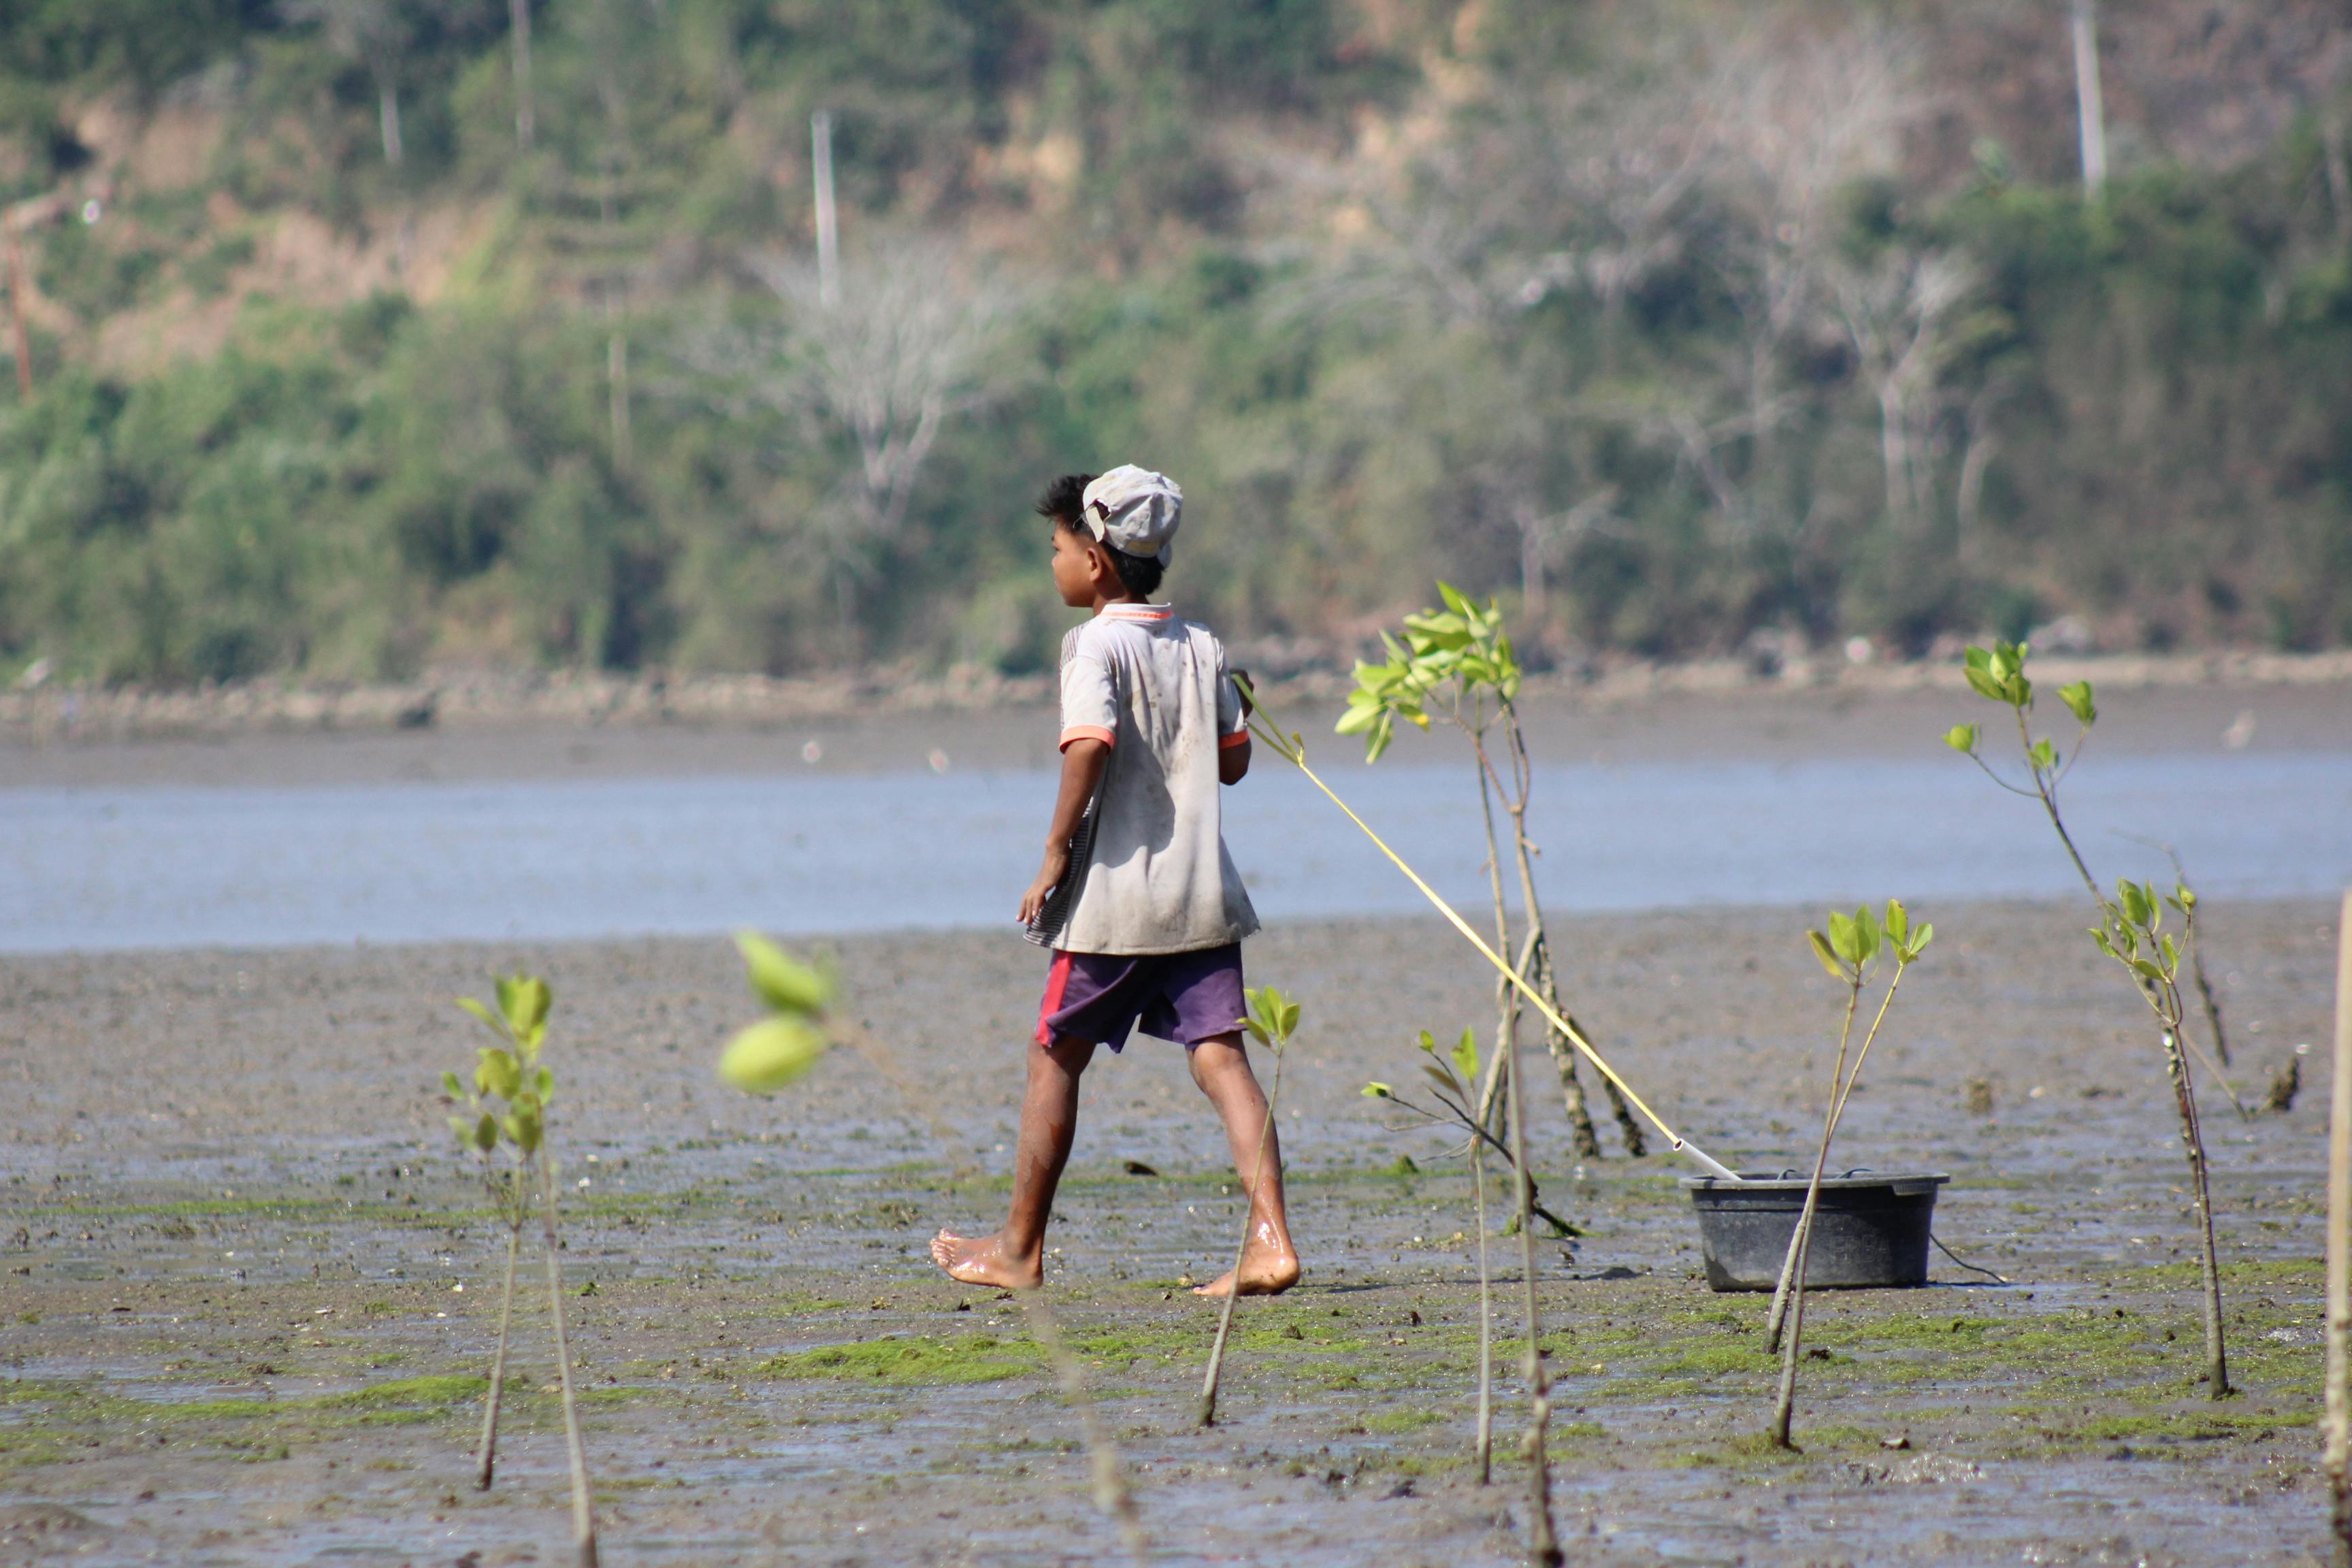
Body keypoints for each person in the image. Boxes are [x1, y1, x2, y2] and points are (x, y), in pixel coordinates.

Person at [930, 466, 1302, 1298]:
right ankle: (1272, 1240)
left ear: (1096, 561)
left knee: (1053, 1054)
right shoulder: (1201, 645)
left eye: (1057, 549)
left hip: (1117, 902)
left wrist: (1056, 854)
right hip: (1203, 898)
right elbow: (1235, 764)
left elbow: (1090, 742)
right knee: (1222, 1059)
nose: (1052, 562)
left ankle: (1020, 1249)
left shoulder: (1095, 645)